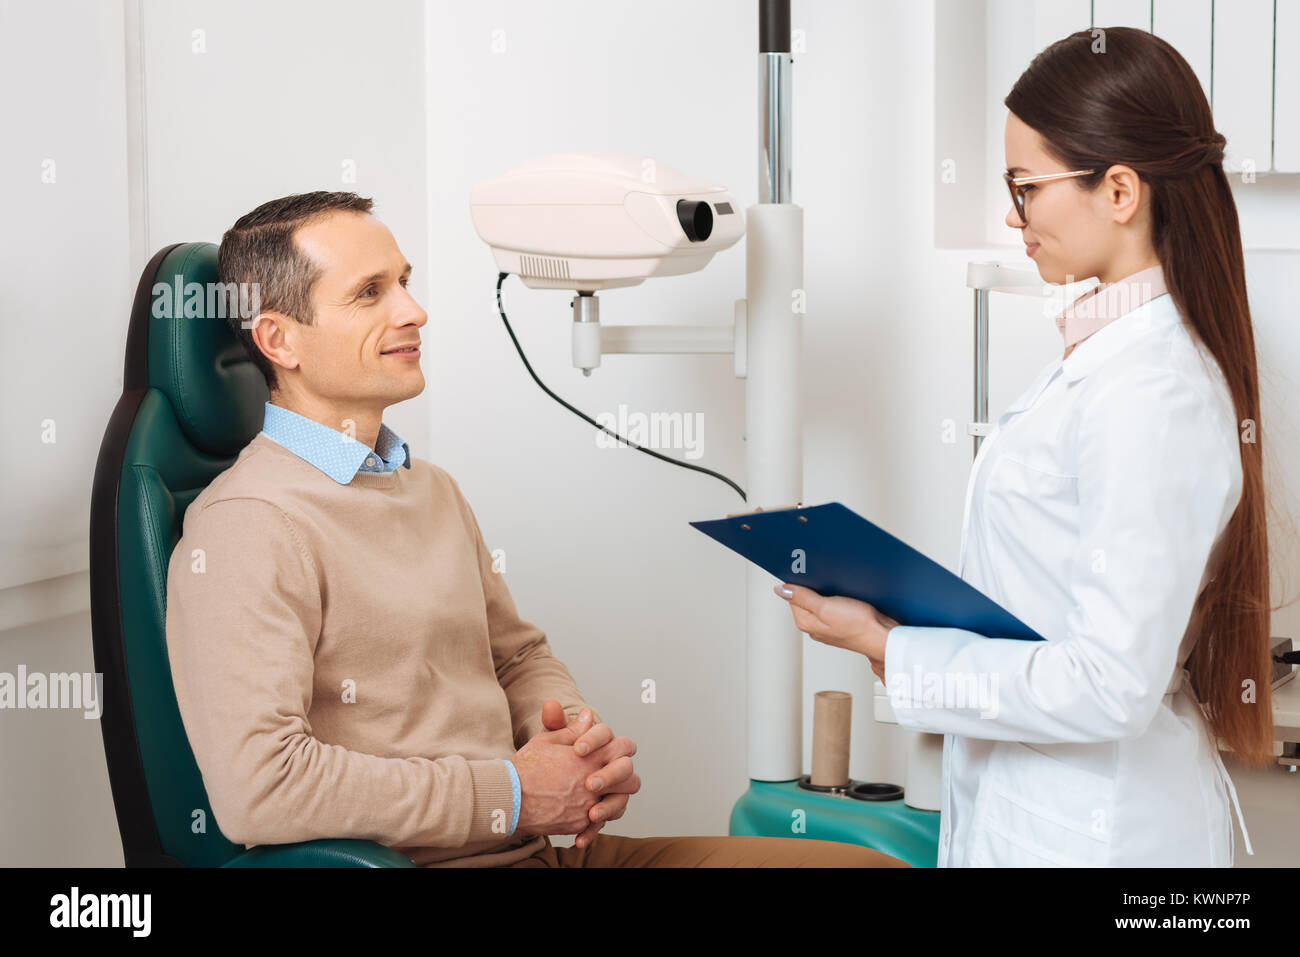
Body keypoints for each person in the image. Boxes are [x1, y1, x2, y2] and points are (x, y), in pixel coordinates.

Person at [164, 190, 906, 869]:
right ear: (279, 340)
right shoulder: (246, 527)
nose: (413, 311)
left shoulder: (429, 488)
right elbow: (260, 788)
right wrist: (514, 793)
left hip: (545, 849)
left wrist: (576, 741)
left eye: (405, 280)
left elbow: (518, 657)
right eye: (369, 293)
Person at [776, 27, 1275, 867]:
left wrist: (889, 647)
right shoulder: (1107, 359)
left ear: (1119, 190)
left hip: (1104, 834)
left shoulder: (1153, 392)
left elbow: (1110, 686)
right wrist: (910, 621)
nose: (1014, 214)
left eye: (1026, 186)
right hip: (1045, 812)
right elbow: (1053, 601)